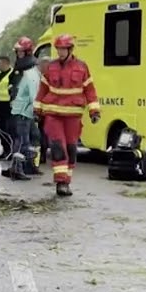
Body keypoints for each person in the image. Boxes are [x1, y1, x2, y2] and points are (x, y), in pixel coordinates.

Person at [35, 35, 99, 197]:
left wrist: (94, 111)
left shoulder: (82, 67)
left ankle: (67, 181)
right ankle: (61, 182)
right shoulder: (51, 67)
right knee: (58, 146)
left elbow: (90, 91)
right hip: (53, 114)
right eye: (58, 49)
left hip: (73, 116)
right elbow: (43, 90)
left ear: (70, 49)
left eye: (63, 49)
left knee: (71, 148)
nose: (60, 52)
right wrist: (37, 110)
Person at [3, 38, 40, 180]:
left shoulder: (27, 67)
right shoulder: (23, 65)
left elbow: (31, 90)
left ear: (27, 51)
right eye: (17, 51)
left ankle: (18, 168)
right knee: (22, 138)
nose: (17, 53)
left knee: (21, 139)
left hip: (23, 108)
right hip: (21, 107)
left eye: (19, 51)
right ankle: (23, 166)